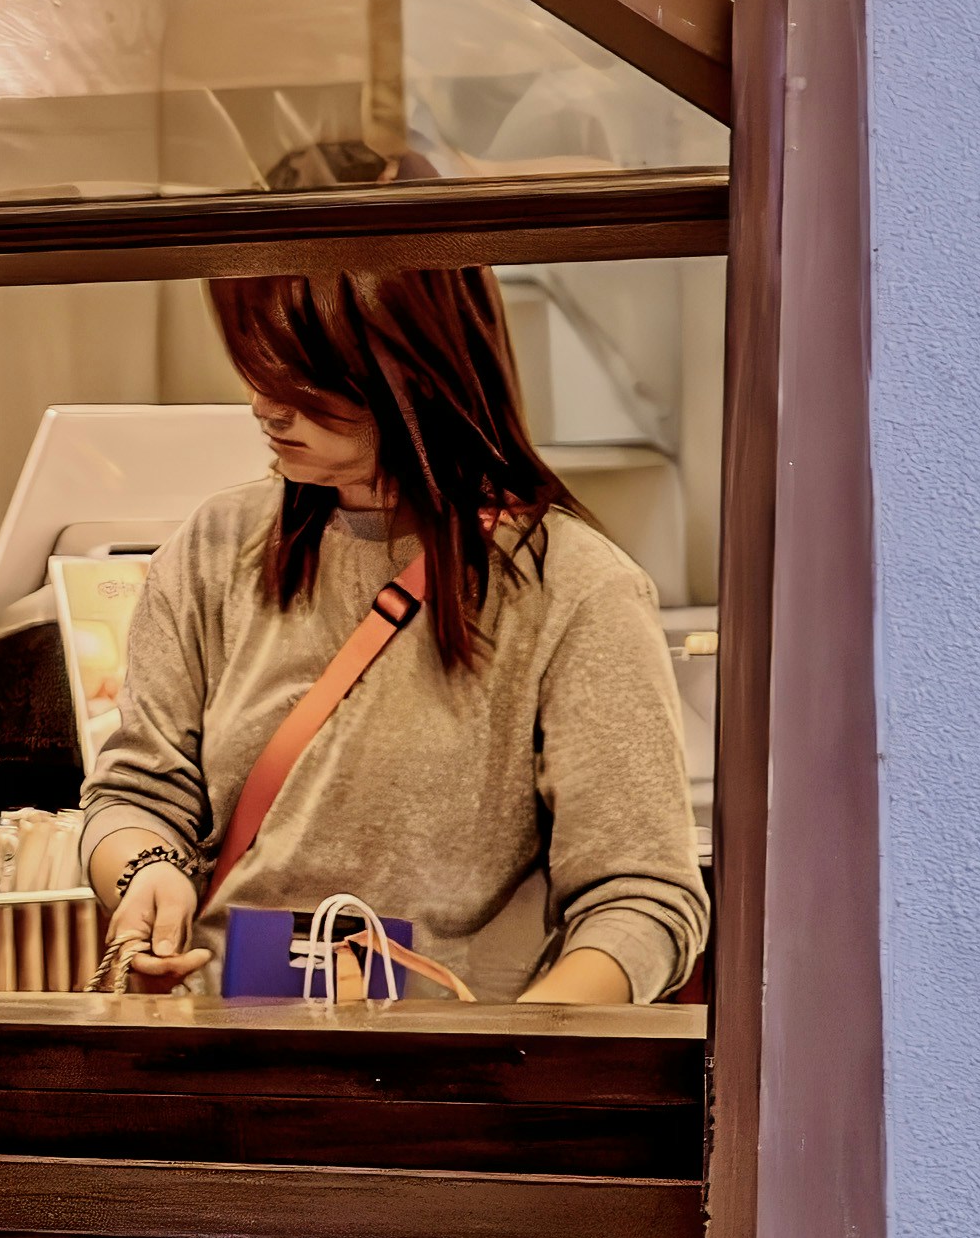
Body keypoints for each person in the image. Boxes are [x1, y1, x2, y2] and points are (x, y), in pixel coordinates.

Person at [79, 266, 707, 1005]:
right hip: (221, 1064)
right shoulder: (215, 546)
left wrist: (506, 1053)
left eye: (306, 383)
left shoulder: (574, 587)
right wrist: (144, 874)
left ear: (416, 371)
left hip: (448, 1087)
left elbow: (642, 900)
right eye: (256, 366)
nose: (263, 407)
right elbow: (136, 793)